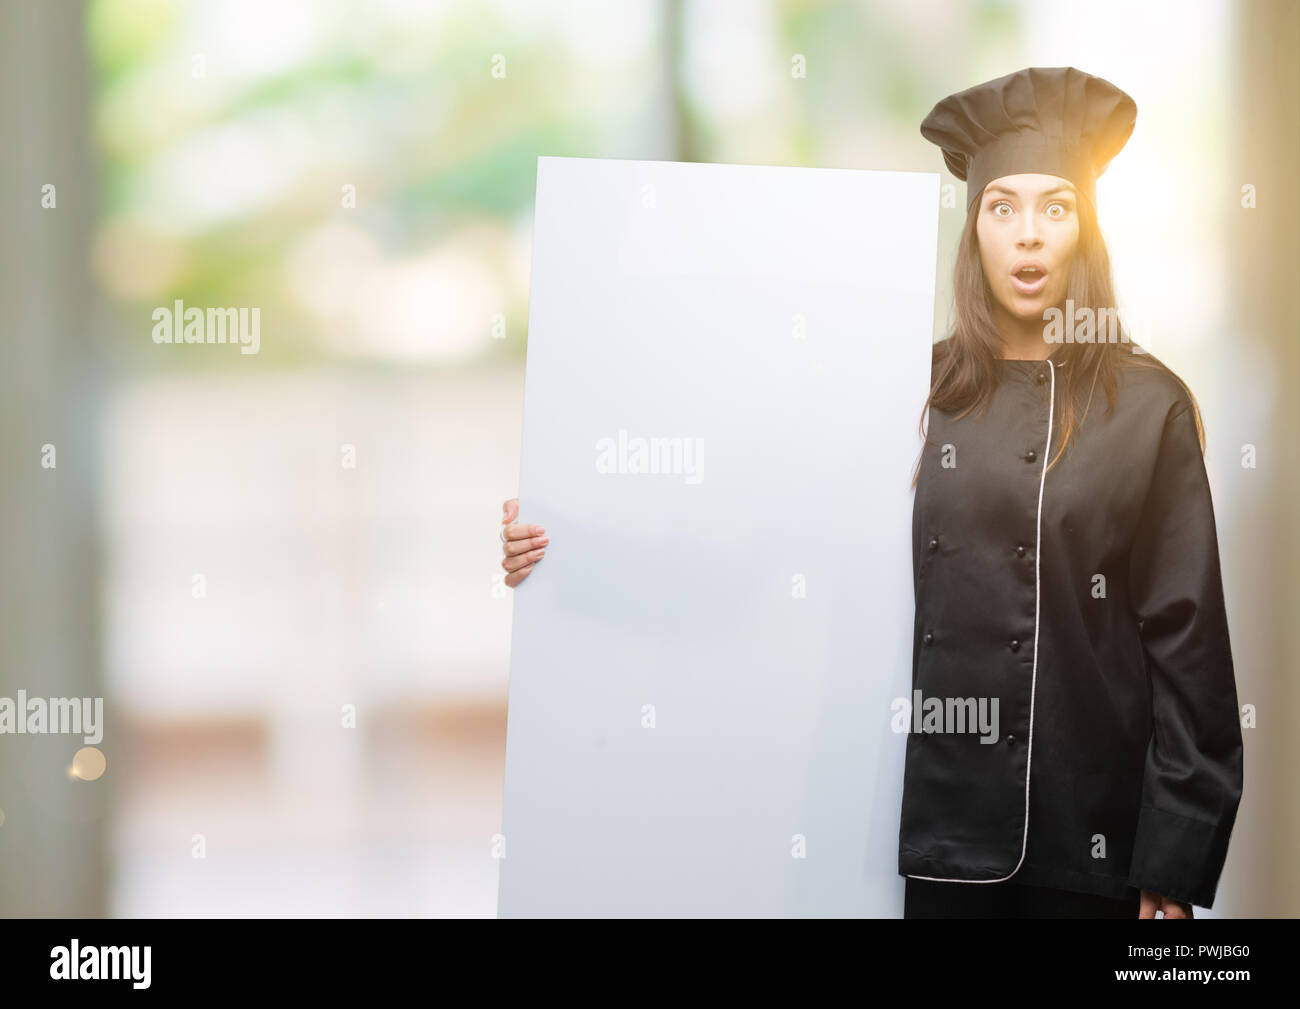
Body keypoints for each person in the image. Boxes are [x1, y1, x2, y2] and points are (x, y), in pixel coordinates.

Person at [499, 66, 1245, 920]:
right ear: (972, 230)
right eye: (1002, 207)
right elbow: (746, 552)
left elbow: (1189, 649)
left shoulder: (1148, 406)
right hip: (930, 837)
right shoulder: (908, 392)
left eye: (1055, 207)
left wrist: (1171, 862)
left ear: (1086, 230)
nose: (1028, 236)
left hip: (1089, 847)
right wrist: (568, 549)